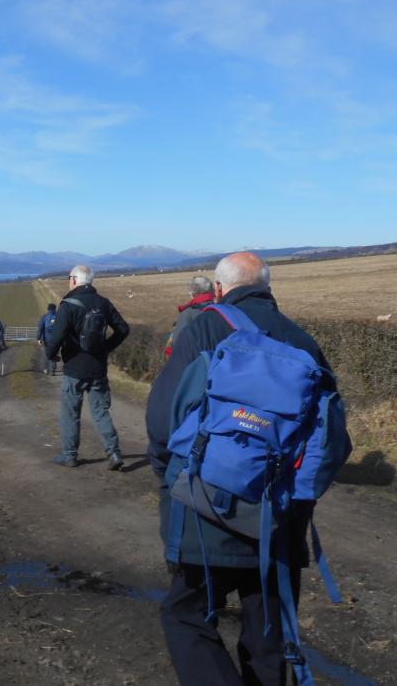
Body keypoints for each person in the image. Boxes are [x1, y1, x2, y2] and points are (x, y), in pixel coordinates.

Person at [145, 252, 331, 686]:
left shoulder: (204, 328)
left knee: (185, 615)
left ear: (221, 288)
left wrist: (168, 479)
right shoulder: (302, 342)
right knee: (267, 635)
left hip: (204, 504)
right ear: (269, 286)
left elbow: (161, 421)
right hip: (276, 516)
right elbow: (329, 441)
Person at [47, 265, 129, 470]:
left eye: (69, 277)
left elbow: (56, 336)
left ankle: (70, 456)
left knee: (70, 413)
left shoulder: (68, 305)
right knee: (101, 411)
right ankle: (114, 452)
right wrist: (105, 348)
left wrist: (51, 355)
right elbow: (123, 329)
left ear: (74, 279)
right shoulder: (103, 303)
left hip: (74, 368)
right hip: (98, 368)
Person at [163, 275, 214, 359]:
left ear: (192, 293)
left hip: (196, 363)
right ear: (211, 290)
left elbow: (178, 344)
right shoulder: (221, 307)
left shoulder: (188, 313)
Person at [35, 302, 58, 376]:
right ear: (55, 309)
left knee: (47, 354)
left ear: (48, 309)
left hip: (47, 339)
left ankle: (46, 369)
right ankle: (53, 371)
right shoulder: (59, 316)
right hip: (56, 339)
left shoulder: (44, 317)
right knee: (54, 353)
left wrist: (39, 338)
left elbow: (40, 328)